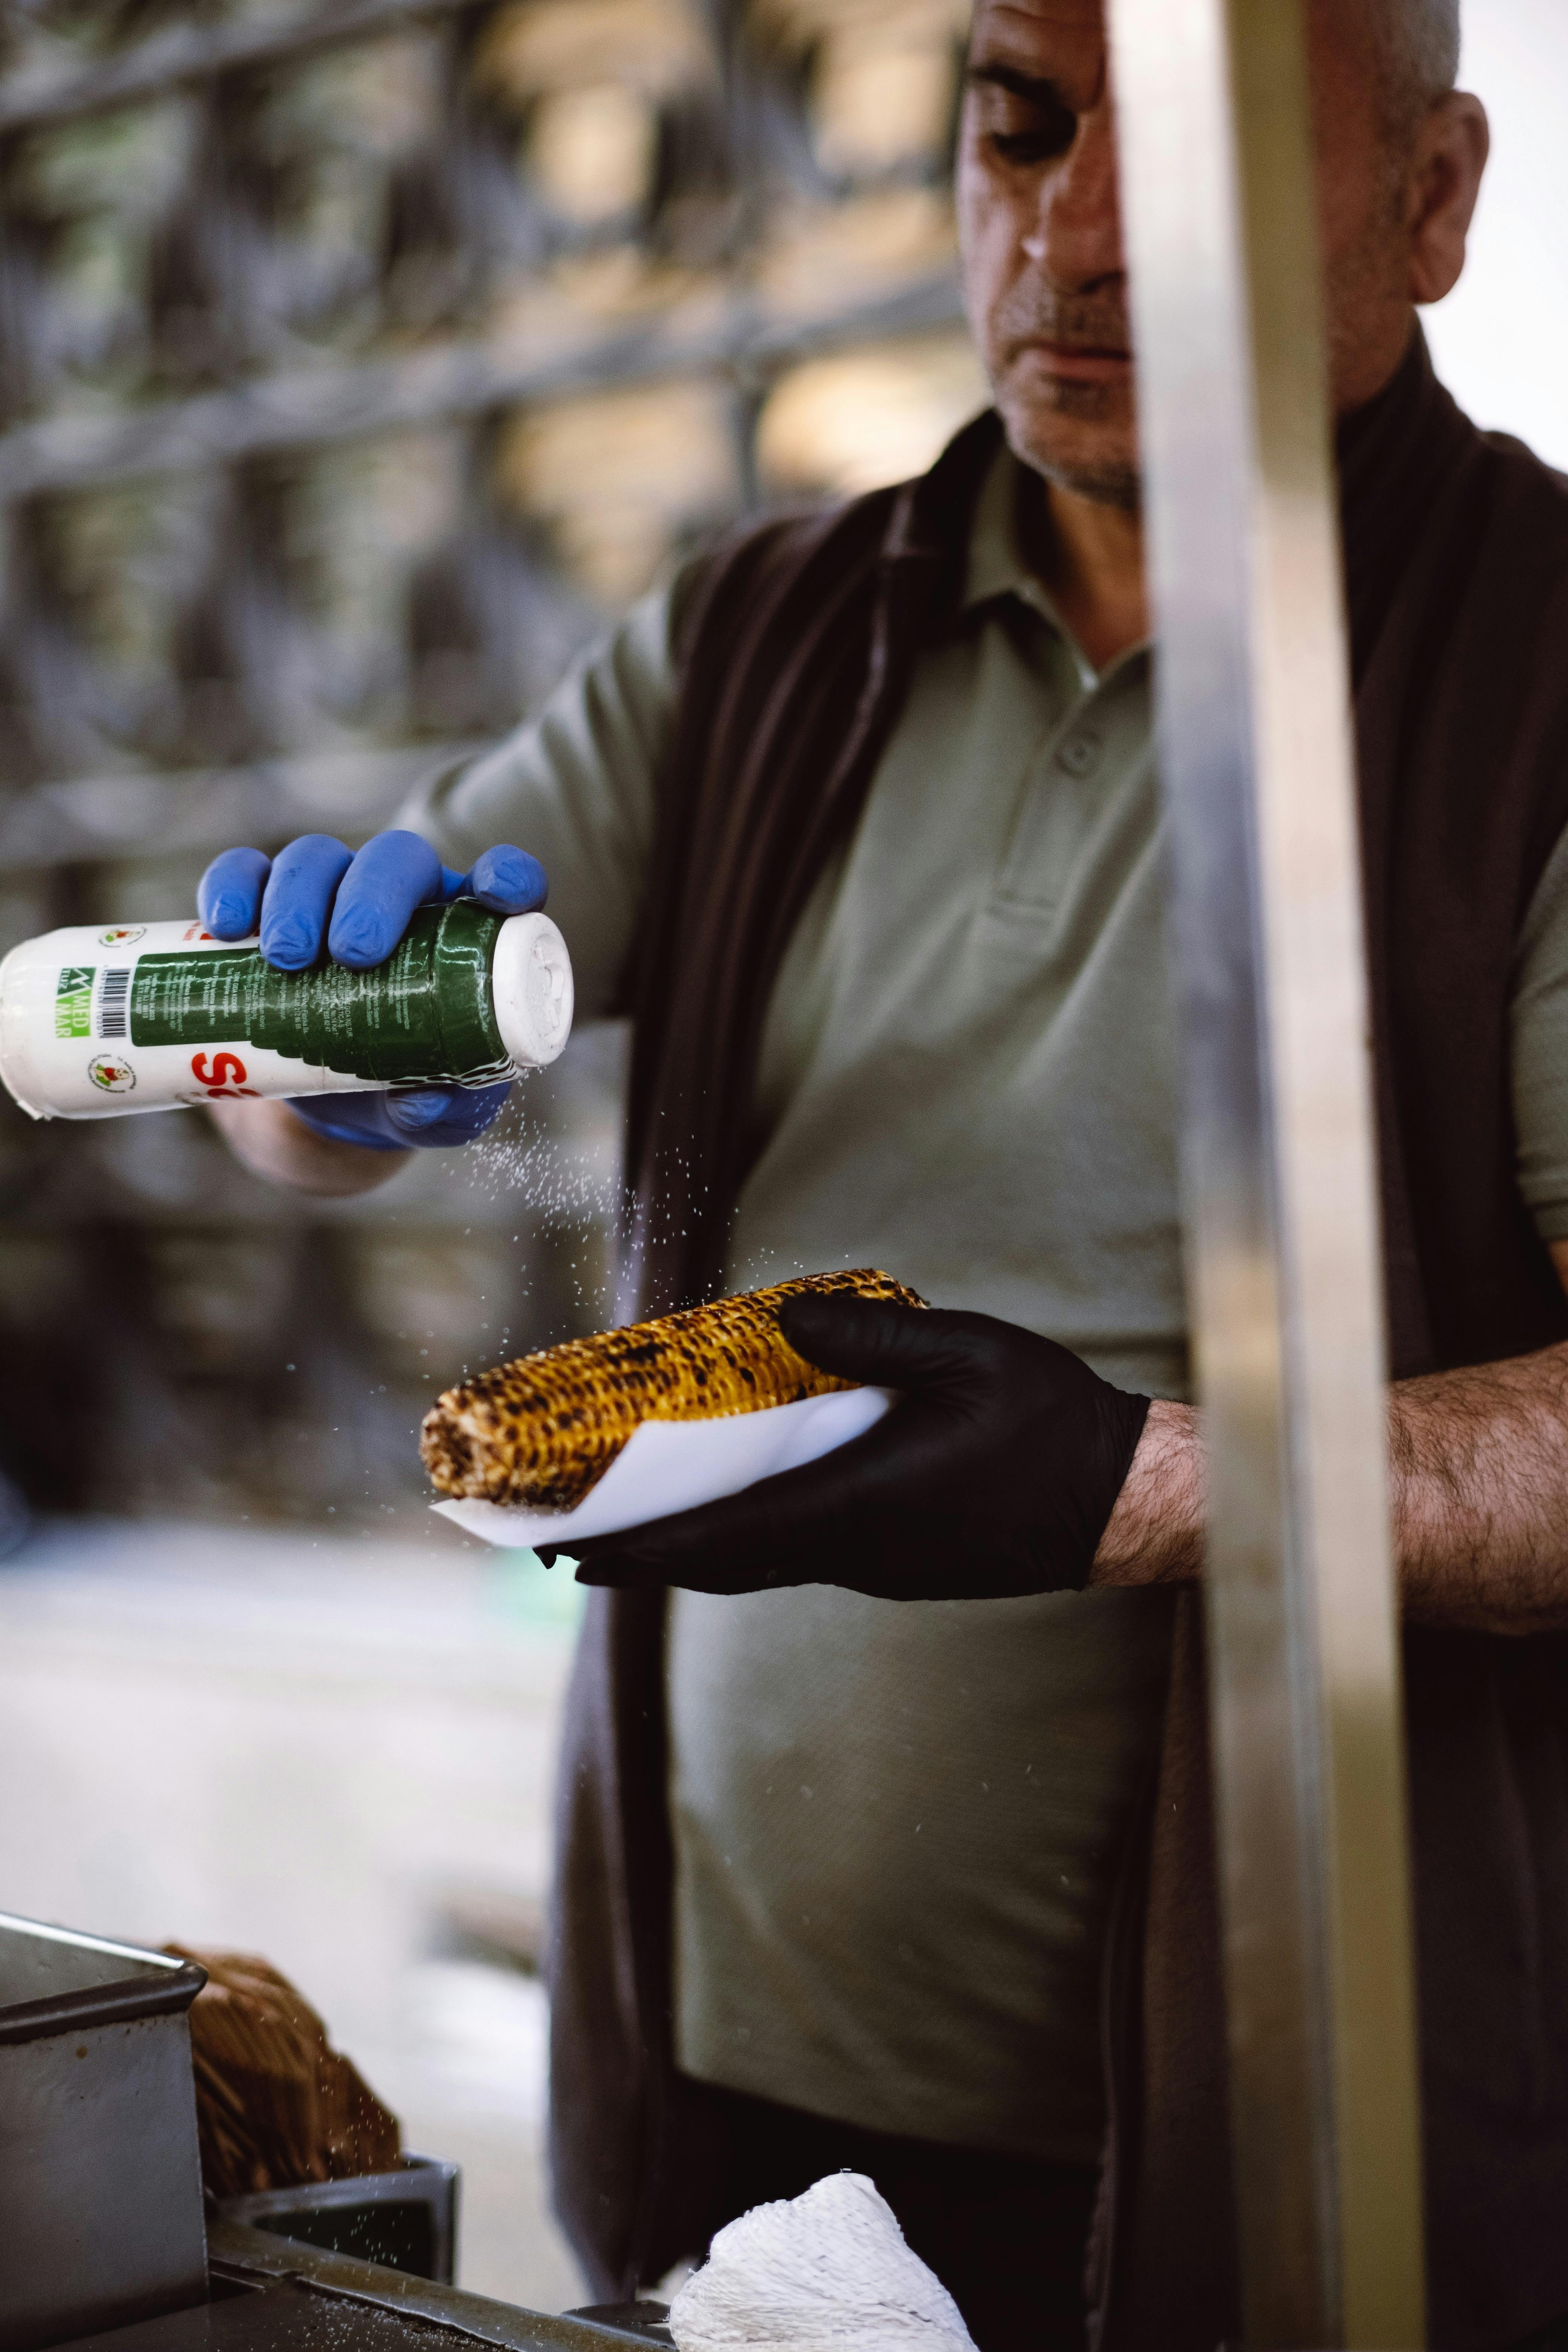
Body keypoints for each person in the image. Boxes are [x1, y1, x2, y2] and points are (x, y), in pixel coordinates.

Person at [202, 0, 1568, 2343]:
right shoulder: (759, 636)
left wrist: (1128, 1483)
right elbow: (292, 1089)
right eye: (1022, 123)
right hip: (709, 2094)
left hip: (1292, 2176)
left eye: (1212, 154)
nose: (1084, 234)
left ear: (1432, 201)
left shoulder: (1542, 673)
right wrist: (318, 1070)